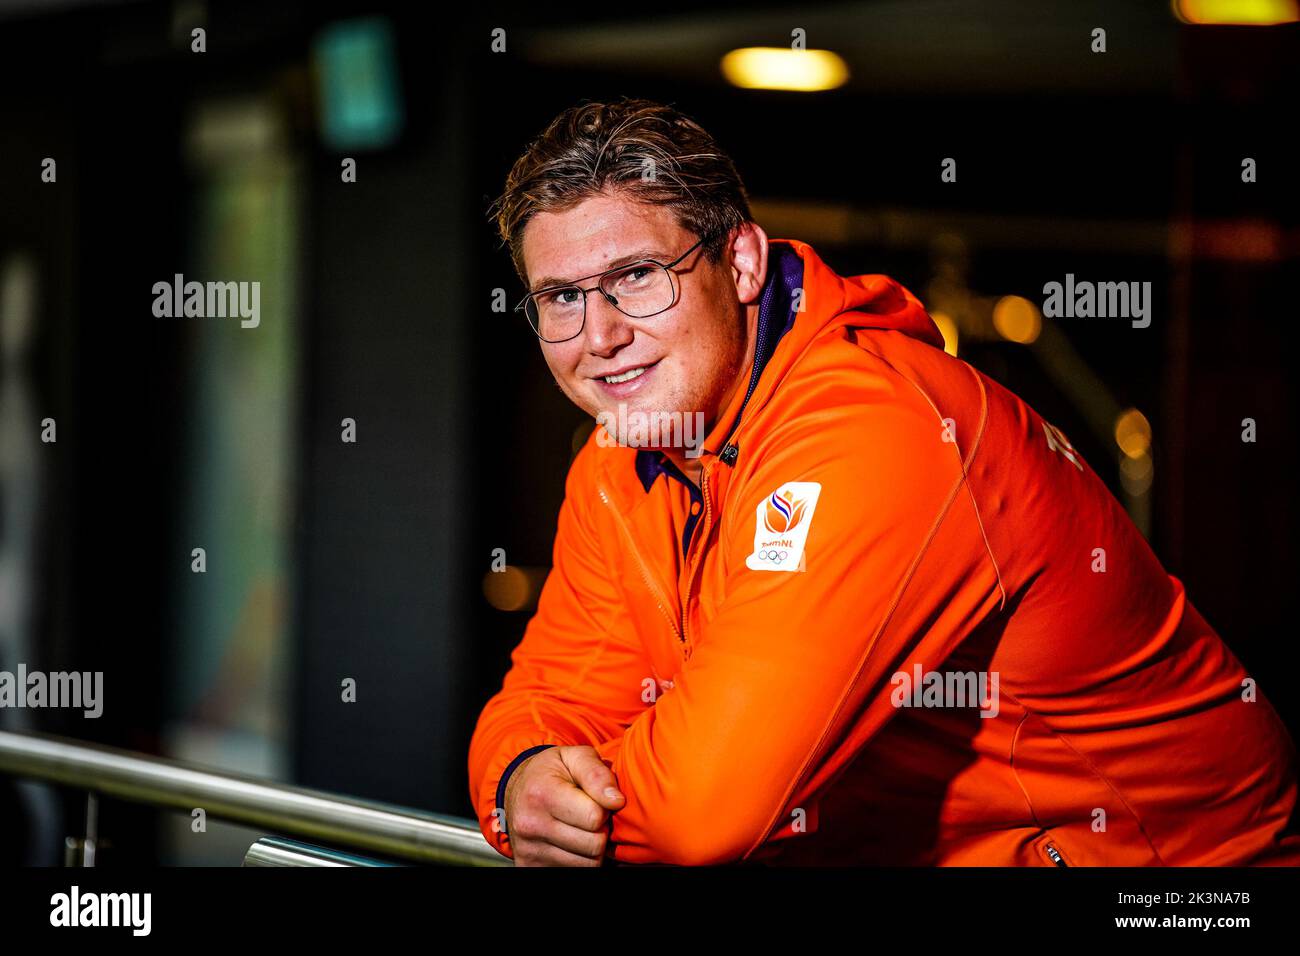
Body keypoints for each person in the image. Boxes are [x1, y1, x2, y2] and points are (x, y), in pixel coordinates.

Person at [467, 97, 1300, 866]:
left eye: (639, 276)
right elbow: (556, 692)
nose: (600, 334)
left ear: (743, 263)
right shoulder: (619, 465)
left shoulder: (875, 431)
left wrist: (576, 816)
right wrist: (520, 782)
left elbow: (701, 812)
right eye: (561, 297)